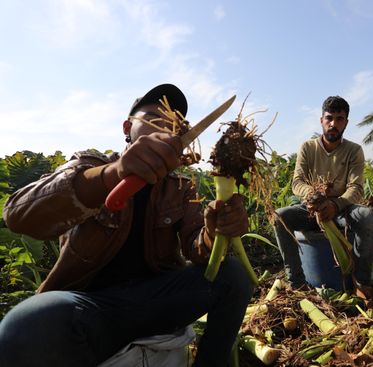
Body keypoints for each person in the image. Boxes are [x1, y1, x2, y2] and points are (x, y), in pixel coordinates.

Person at [0, 84, 255, 367]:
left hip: (156, 302)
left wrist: (213, 231)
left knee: (232, 273)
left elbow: (198, 251)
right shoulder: (89, 166)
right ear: (127, 127)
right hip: (92, 308)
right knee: (26, 324)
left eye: (175, 126)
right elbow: (18, 214)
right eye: (154, 119)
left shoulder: (182, 187)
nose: (166, 129)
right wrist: (111, 175)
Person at [274, 96, 373, 299]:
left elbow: (356, 188)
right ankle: (297, 282)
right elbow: (297, 182)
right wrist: (313, 195)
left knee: (365, 216)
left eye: (339, 119)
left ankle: (362, 282)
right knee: (279, 216)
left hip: (342, 208)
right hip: (311, 207)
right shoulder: (307, 148)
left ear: (346, 123)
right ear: (321, 120)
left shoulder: (353, 150)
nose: (333, 124)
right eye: (329, 118)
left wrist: (335, 204)